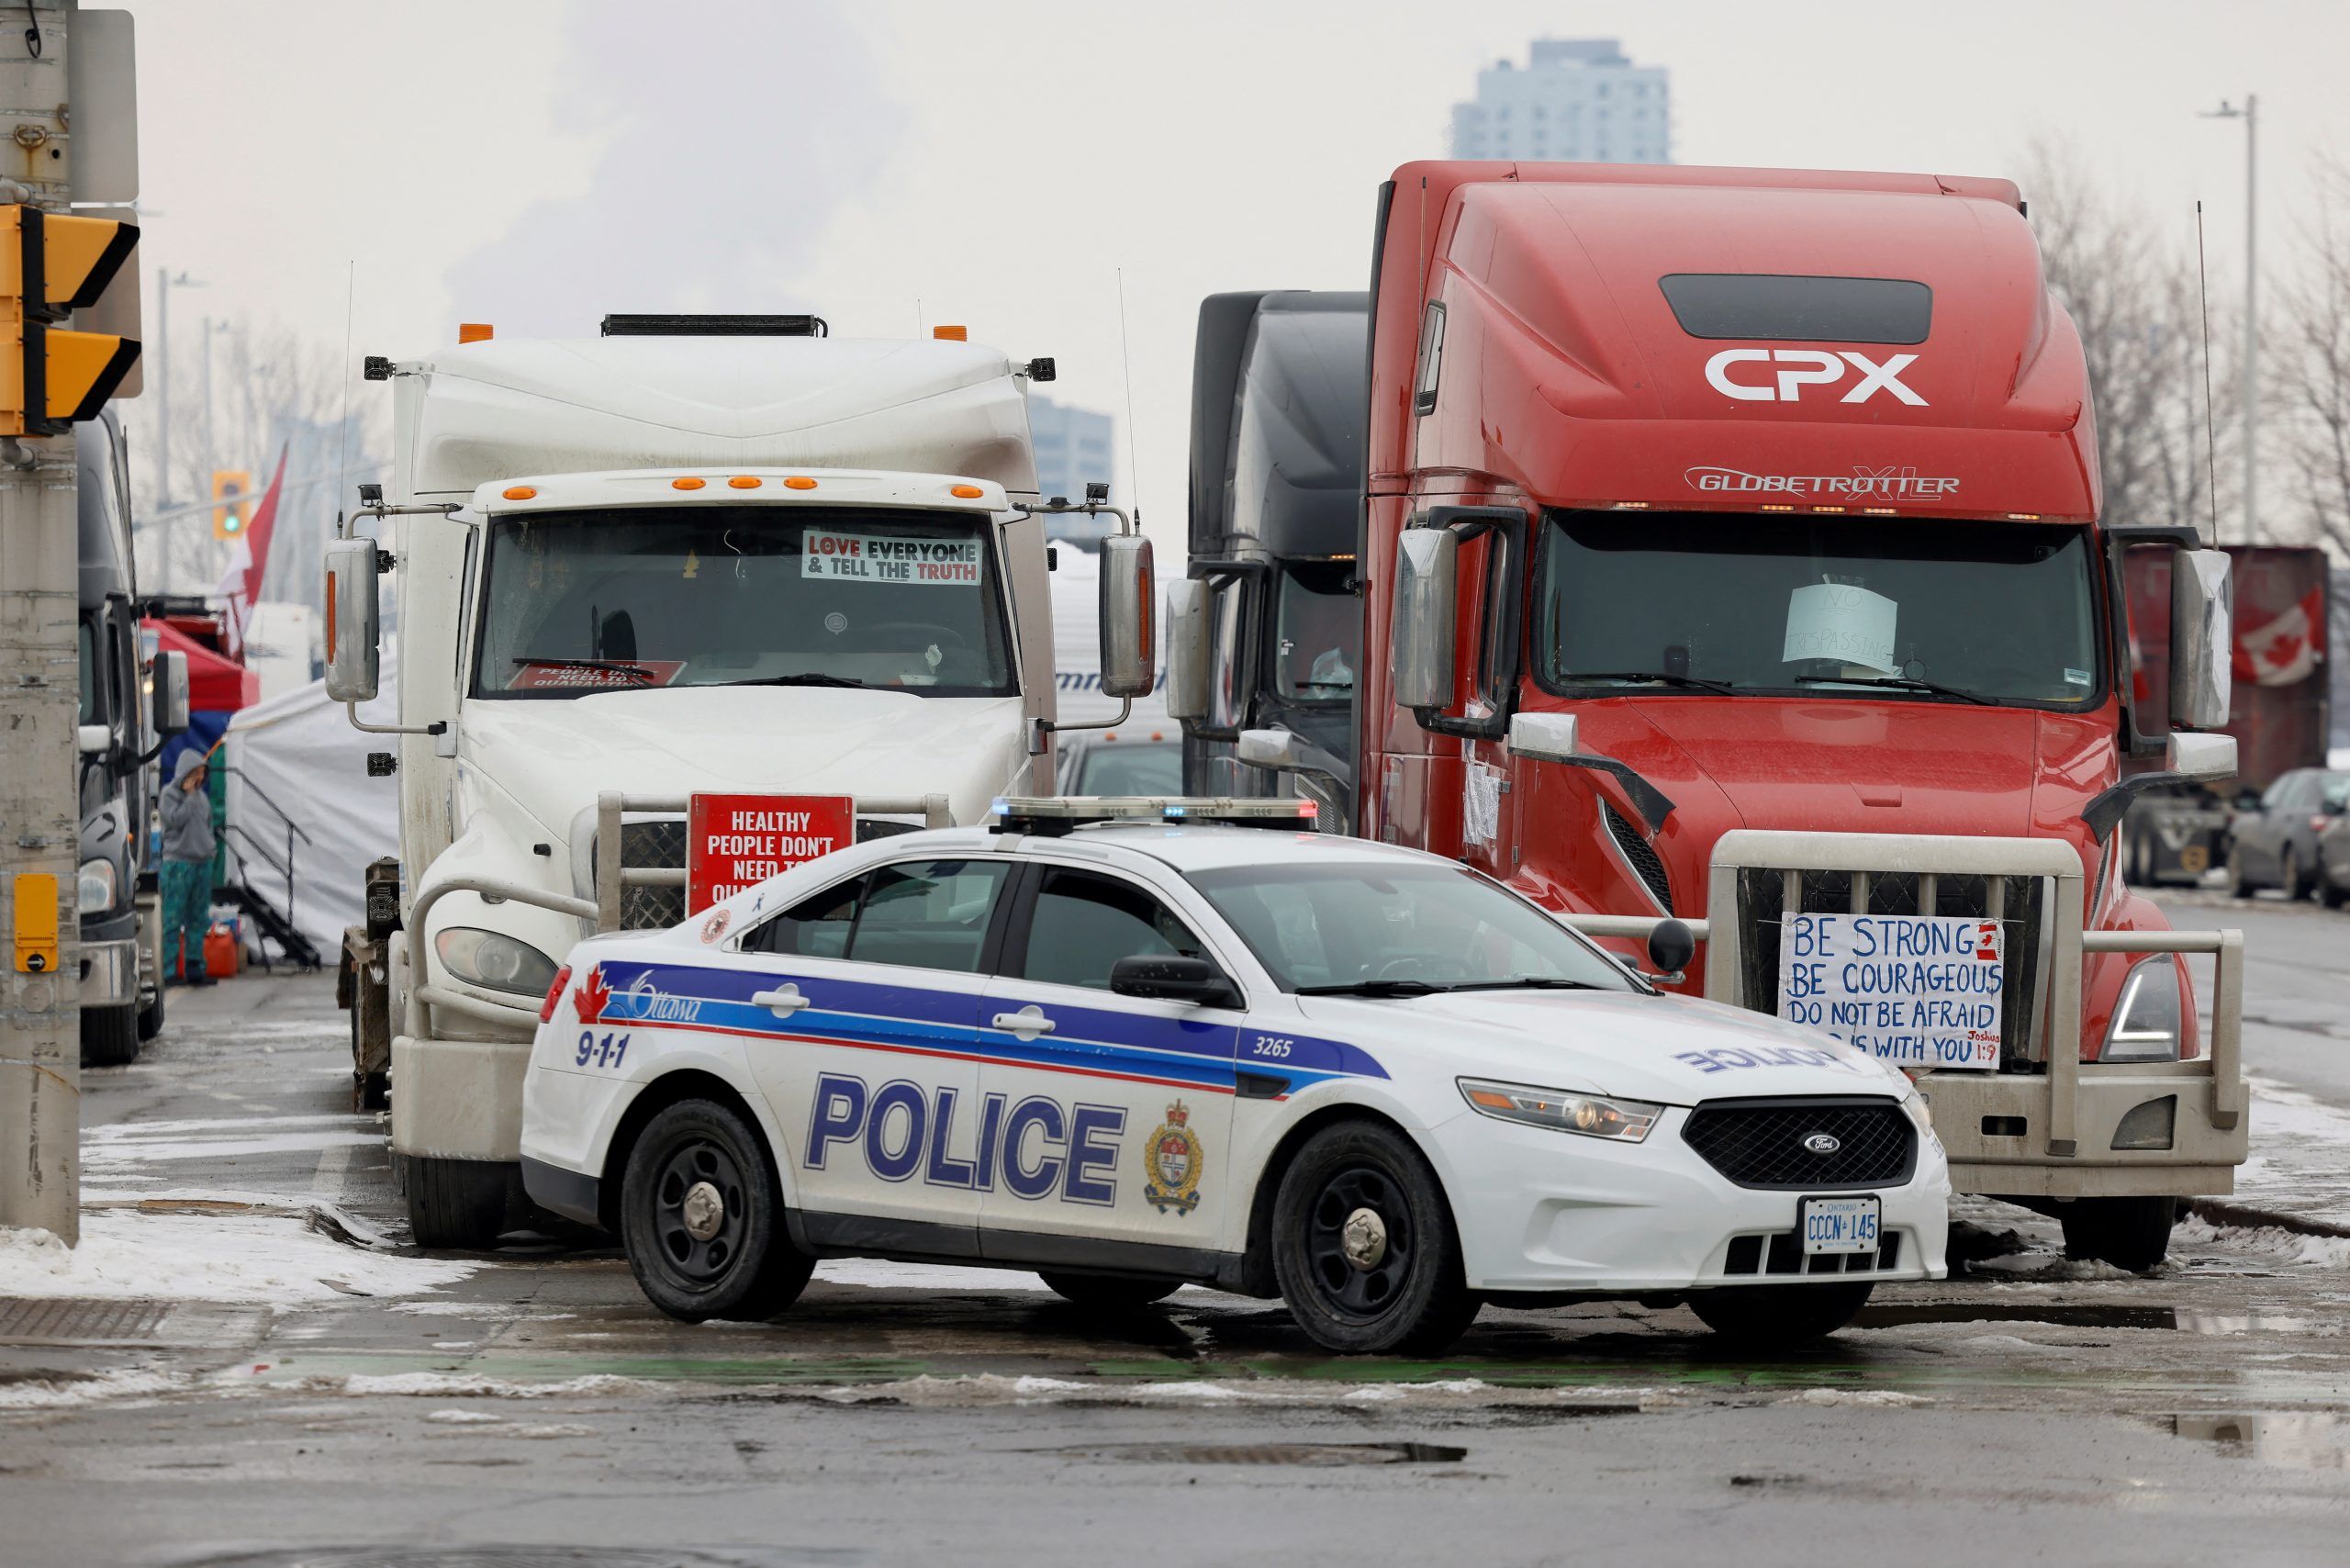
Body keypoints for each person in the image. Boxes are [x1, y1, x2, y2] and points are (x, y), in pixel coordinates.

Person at [158, 750, 218, 988]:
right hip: (178, 864)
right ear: (186, 774)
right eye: (196, 773)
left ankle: (195, 968)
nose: (200, 778)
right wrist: (190, 796)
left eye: (202, 774)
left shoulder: (202, 798)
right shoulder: (169, 795)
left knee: (198, 919)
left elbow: (209, 823)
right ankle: (169, 970)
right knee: (172, 919)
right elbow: (174, 820)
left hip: (202, 863)